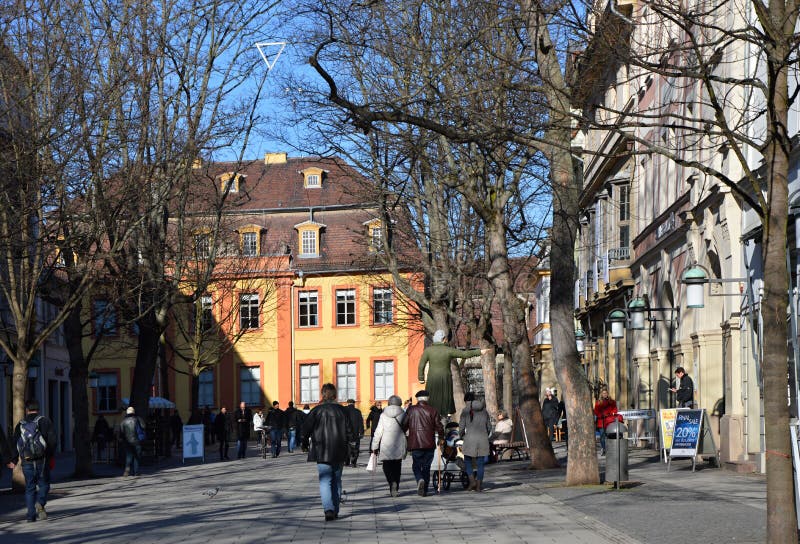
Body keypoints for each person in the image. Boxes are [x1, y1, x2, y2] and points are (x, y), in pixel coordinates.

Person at [301, 383, 355, 522]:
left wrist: (304, 443)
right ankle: (335, 509)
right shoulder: (343, 411)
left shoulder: (316, 410)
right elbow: (350, 432)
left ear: (323, 394)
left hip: (321, 450)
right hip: (339, 450)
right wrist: (353, 449)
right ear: (335, 395)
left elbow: (305, 430)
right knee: (337, 480)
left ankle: (328, 509)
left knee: (325, 481)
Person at [417, 329, 488, 417]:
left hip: (432, 378)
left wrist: (421, 378)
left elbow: (421, 365)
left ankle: (431, 414)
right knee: (445, 397)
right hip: (445, 377)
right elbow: (464, 354)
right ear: (443, 339)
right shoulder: (448, 350)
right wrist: (479, 352)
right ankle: (446, 413)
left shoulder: (428, 350)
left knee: (431, 398)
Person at [11, 401, 57, 522]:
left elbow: (15, 443)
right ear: (38, 409)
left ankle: (31, 516)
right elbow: (52, 441)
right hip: (42, 460)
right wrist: (50, 455)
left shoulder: (21, 424)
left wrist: (14, 460)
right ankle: (40, 503)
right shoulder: (45, 421)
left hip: (26, 460)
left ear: (27, 409)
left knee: (30, 487)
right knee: (44, 484)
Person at [402, 389, 443, 497]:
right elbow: (439, 426)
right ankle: (424, 490)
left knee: (416, 465)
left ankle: (419, 479)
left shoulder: (411, 410)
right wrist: (441, 437)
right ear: (427, 398)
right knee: (426, 467)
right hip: (429, 442)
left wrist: (403, 433)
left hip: (415, 442)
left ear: (417, 399)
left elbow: (404, 424)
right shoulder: (433, 410)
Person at [370, 395, 406, 497]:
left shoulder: (383, 415)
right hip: (399, 442)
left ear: (389, 403)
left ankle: (391, 482)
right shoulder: (403, 414)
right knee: (397, 467)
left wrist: (374, 446)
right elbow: (407, 429)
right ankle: (396, 487)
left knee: (386, 466)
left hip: (386, 444)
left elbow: (378, 431)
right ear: (399, 403)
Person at [459, 392, 491, 492]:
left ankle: (472, 481)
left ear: (466, 401)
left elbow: (461, 427)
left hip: (470, 439)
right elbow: (489, 427)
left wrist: (461, 436)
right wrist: (485, 435)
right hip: (483, 439)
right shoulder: (484, 410)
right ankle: (478, 485)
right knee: (480, 463)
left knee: (467, 460)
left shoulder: (465, 411)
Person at [120, 406, 146, 477]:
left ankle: (127, 469)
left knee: (129, 456)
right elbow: (143, 427)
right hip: (136, 441)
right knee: (136, 457)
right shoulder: (137, 419)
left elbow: (121, 432)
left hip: (127, 441)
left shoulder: (123, 421)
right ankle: (136, 472)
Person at [593, 388, 620, 455]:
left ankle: (610, 449)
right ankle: (604, 448)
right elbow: (596, 411)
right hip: (601, 421)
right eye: (603, 393)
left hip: (609, 421)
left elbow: (615, 410)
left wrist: (610, 414)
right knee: (602, 436)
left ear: (607, 394)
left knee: (609, 435)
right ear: (601, 394)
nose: (604, 394)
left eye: (605, 393)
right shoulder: (598, 402)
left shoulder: (612, 402)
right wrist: (600, 415)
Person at [344, 399, 364, 467]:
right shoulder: (357, 411)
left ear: (347, 403)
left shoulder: (344, 411)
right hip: (355, 433)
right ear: (354, 404)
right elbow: (360, 422)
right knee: (355, 448)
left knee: (346, 447)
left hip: (345, 433)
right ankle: (353, 462)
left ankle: (346, 462)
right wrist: (361, 432)